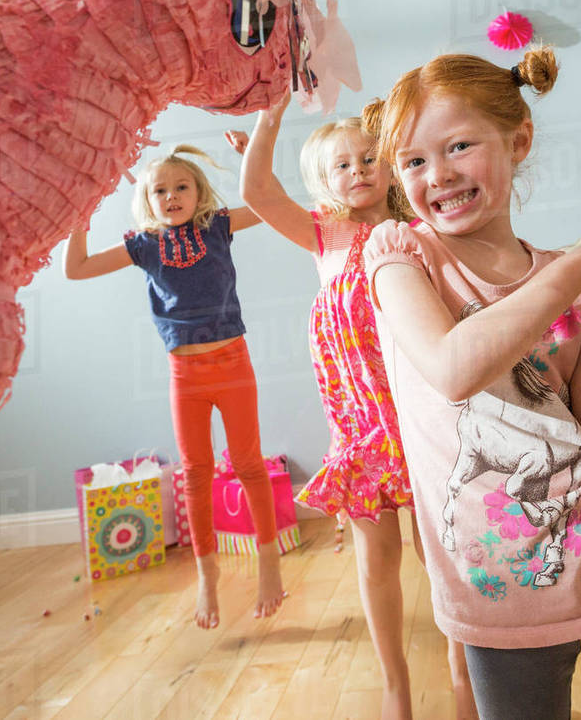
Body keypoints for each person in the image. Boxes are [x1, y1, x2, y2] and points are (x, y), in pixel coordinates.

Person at [362, 48, 581, 720]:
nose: (438, 176)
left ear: (518, 141)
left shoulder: (562, 278)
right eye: (414, 161)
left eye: (459, 146)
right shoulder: (399, 257)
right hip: (495, 584)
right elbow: (453, 368)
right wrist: (576, 270)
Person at [228, 92, 477, 720]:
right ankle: (394, 683)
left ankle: (464, 673)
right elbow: (257, 191)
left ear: (393, 164)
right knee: (377, 558)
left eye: (369, 158)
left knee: (442, 556)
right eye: (342, 165)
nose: (358, 170)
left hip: (422, 417)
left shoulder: (421, 232)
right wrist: (269, 119)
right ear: (322, 182)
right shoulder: (325, 233)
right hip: (361, 427)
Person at [64, 145, 283, 629]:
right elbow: (75, 269)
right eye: (159, 190)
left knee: (249, 463)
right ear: (147, 199)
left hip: (232, 364)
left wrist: (254, 160)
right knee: (196, 471)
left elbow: (273, 208)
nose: (171, 196)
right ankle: (208, 575)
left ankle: (269, 562)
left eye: (181, 186)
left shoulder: (218, 227)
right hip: (184, 374)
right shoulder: (143, 245)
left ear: (199, 191)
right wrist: (80, 209)